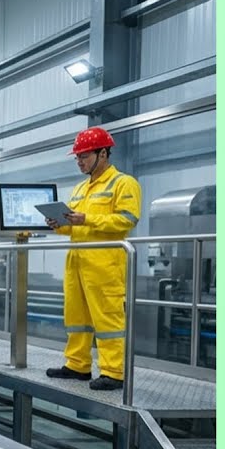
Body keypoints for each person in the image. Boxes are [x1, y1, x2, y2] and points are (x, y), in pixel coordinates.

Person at [44, 127, 142, 391]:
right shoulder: (79, 189)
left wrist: (87, 218)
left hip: (105, 266)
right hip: (77, 263)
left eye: (84, 156)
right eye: (77, 157)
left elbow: (127, 219)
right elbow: (73, 226)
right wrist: (59, 224)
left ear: (103, 153)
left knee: (108, 320)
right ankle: (77, 365)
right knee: (76, 318)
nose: (80, 162)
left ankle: (114, 372)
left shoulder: (123, 183)